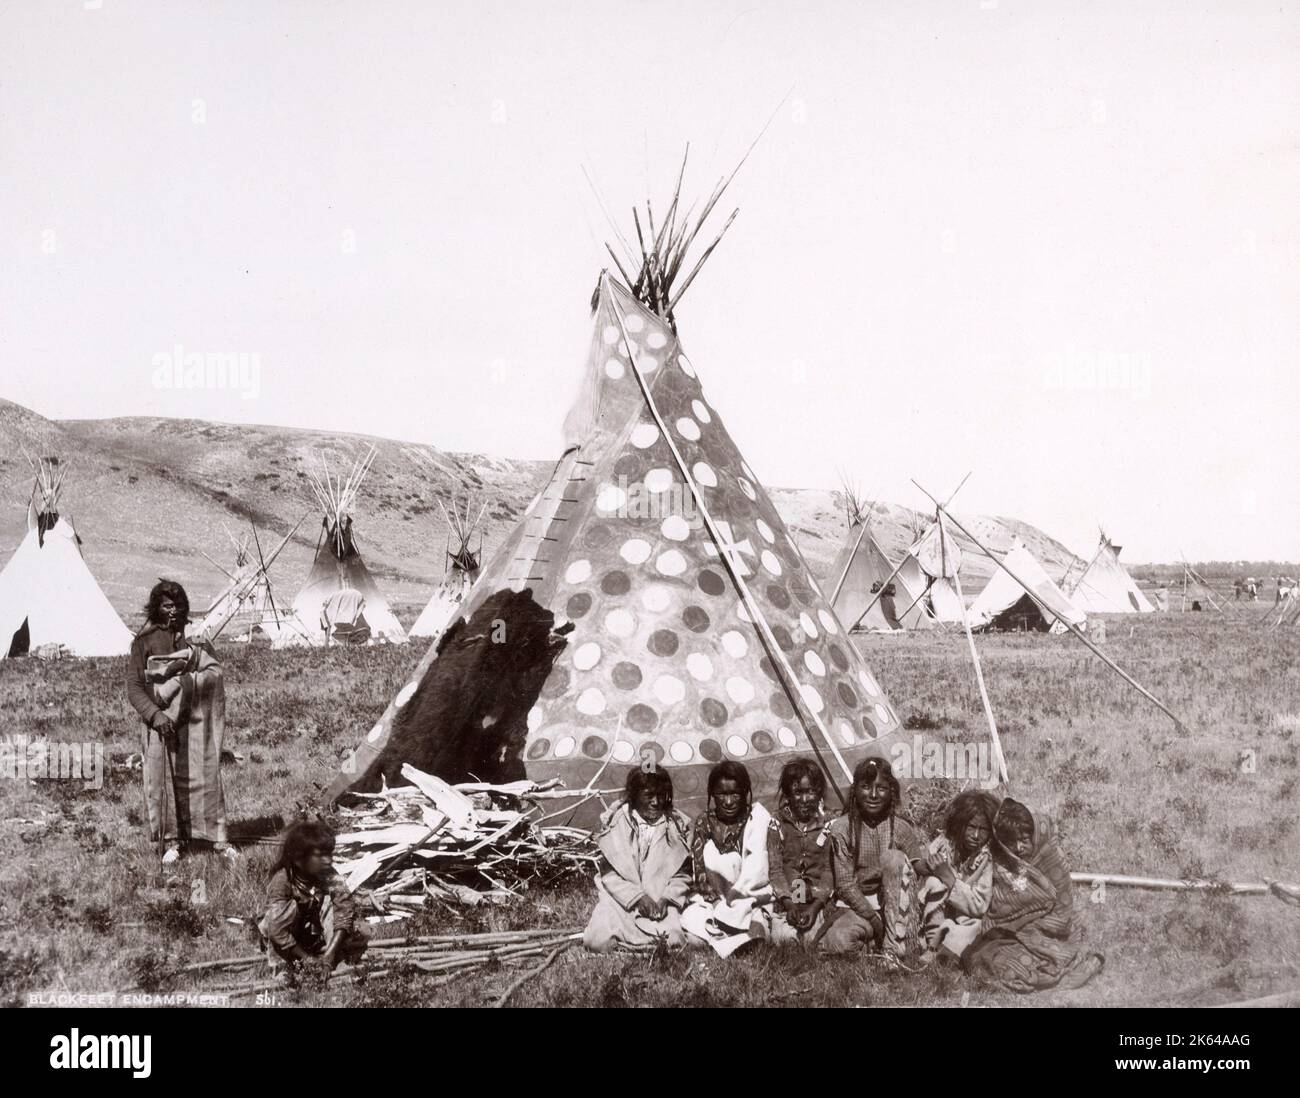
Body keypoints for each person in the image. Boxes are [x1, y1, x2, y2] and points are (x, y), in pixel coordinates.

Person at [126, 579, 233, 866]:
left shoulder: (191, 640)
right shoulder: (143, 643)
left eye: (178, 605)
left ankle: (214, 837)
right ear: (156, 607)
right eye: (167, 605)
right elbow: (134, 687)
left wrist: (185, 682)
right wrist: (155, 715)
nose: (173, 611)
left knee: (204, 775)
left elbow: (213, 673)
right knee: (164, 781)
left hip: (193, 722)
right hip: (160, 724)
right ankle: (172, 841)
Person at [961, 798, 1104, 992]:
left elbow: (1061, 916)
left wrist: (1027, 929)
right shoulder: (1004, 861)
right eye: (1012, 842)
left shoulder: (1053, 861)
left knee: (1009, 968)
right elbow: (997, 905)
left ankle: (1069, 976)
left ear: (1036, 836)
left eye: (1024, 840)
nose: (1018, 848)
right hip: (1008, 936)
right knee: (977, 958)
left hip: (1048, 939)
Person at [823, 757, 927, 958]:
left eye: (881, 788)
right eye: (865, 787)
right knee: (838, 941)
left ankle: (891, 946)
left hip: (895, 906)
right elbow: (844, 884)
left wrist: (933, 863)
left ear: (891, 792)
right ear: (855, 791)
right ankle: (876, 942)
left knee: (893, 858)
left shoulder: (901, 827)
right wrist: (873, 919)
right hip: (860, 907)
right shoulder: (842, 828)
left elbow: (917, 865)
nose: (872, 795)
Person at [583, 766, 693, 952]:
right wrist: (637, 898)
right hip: (621, 901)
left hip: (659, 902)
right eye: (649, 796)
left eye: (660, 795)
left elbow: (682, 874)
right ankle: (639, 946)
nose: (656, 802)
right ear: (634, 795)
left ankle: (634, 948)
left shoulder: (674, 825)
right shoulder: (618, 822)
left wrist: (666, 899)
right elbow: (609, 874)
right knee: (596, 939)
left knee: (673, 939)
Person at [681, 761, 774, 956]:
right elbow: (699, 872)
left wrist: (736, 904)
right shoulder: (704, 822)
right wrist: (716, 904)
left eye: (735, 794)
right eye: (722, 794)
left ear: (745, 793)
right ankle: (731, 937)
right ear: (713, 794)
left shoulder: (756, 820)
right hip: (712, 902)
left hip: (749, 901)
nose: (729, 801)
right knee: (694, 936)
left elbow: (759, 873)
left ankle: (730, 937)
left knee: (757, 928)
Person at [258, 821, 368, 983]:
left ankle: (333, 955)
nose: (328, 860)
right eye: (320, 855)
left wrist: (328, 957)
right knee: (287, 911)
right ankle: (283, 966)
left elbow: (344, 911)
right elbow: (277, 931)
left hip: (313, 936)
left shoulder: (329, 875)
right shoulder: (283, 880)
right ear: (298, 858)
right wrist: (309, 960)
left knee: (333, 903)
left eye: (329, 854)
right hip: (285, 941)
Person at [919, 790, 997, 963]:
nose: (976, 836)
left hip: (968, 919)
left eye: (983, 829)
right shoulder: (945, 844)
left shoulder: (988, 858)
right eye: (971, 827)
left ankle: (942, 951)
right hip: (939, 914)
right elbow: (924, 865)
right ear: (960, 824)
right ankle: (931, 941)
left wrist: (951, 880)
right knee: (933, 882)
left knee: (974, 928)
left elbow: (980, 905)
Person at [767, 759, 834, 948]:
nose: (805, 800)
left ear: (819, 792)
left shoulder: (829, 824)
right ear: (788, 794)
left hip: (817, 901)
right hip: (787, 901)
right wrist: (789, 904)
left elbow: (830, 871)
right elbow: (776, 869)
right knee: (784, 940)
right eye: (798, 792)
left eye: (811, 792)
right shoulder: (777, 823)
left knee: (816, 941)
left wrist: (815, 906)